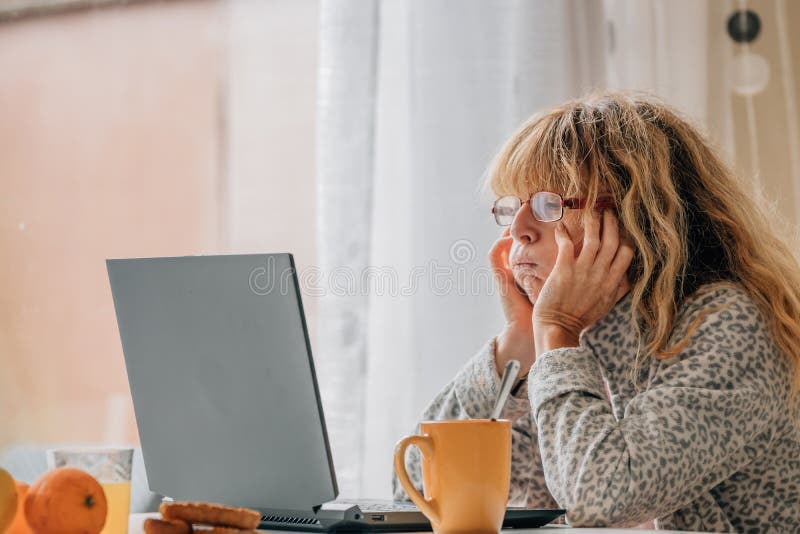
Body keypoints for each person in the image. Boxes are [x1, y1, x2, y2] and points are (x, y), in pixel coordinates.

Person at [392, 91, 800, 532]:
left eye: (549, 204)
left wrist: (557, 332)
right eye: (512, 207)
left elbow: (601, 498)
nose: (519, 230)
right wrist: (521, 344)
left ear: (638, 215)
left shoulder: (727, 326)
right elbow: (421, 495)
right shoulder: (583, 335)